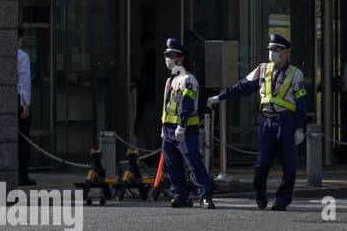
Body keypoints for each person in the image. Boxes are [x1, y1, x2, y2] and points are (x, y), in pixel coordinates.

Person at [207, 33, 308, 210]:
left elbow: (301, 102)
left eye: (276, 50)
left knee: (289, 165)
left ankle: (282, 200)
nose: (272, 53)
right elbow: (242, 87)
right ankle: (260, 193)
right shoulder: (262, 70)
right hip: (267, 122)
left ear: (285, 52)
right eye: (270, 50)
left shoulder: (296, 74)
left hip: (286, 122)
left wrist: (299, 128)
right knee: (261, 164)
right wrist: (220, 97)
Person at [159, 39, 215, 209]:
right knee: (172, 163)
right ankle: (179, 195)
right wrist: (164, 126)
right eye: (166, 55)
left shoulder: (188, 79)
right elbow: (168, 106)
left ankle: (205, 196)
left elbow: (188, 104)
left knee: (193, 162)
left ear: (181, 58)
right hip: (169, 128)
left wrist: (181, 125)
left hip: (185, 128)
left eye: (171, 55)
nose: (168, 58)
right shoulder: (171, 80)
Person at [132, 32, 159, 153]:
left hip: (149, 95)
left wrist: (139, 80)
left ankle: (151, 152)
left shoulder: (151, 57)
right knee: (149, 123)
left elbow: (146, 77)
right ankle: (152, 151)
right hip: (152, 94)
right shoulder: (155, 56)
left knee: (147, 122)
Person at [16, 26, 34, 186]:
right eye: (21, 38)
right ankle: (23, 174)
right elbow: (24, 81)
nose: (22, 42)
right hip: (19, 101)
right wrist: (25, 104)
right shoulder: (22, 56)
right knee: (23, 138)